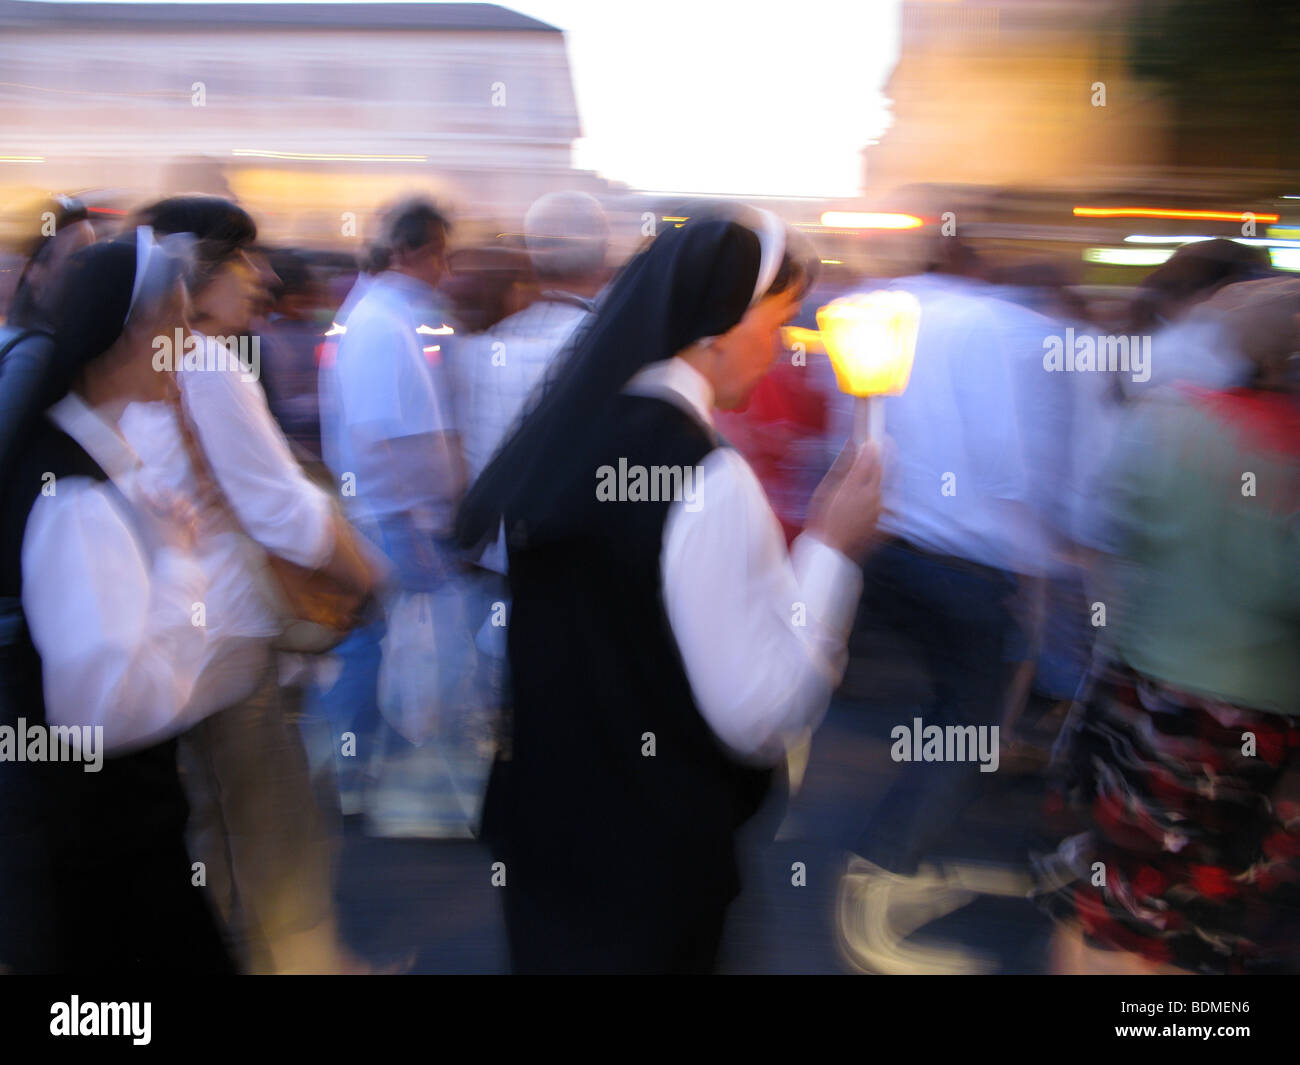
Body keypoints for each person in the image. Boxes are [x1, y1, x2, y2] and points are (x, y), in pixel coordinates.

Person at [456, 209, 883, 973]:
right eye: (780, 319)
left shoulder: (573, 436)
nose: (786, 344)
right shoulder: (706, 476)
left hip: (546, 838)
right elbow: (759, 711)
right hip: (650, 865)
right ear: (719, 322)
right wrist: (833, 550)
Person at [120, 195, 377, 973]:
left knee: (209, 823)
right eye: (244, 259)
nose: (261, 276)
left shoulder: (127, 352)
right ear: (200, 270)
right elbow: (283, 516)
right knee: (274, 828)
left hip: (158, 631)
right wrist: (363, 568)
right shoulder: (204, 363)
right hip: (229, 632)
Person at [1041, 277, 1300, 974]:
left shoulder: (1166, 419)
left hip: (1143, 695)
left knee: (1122, 888)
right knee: (1216, 906)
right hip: (1258, 729)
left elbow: (1108, 531)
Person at [0, 233, 233, 972]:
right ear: (137, 332)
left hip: (111, 845)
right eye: (181, 322)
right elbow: (99, 711)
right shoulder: (74, 496)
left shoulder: (90, 458)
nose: (191, 343)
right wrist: (179, 567)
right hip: (103, 852)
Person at [315, 198, 473, 836]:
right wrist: (421, 520)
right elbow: (384, 437)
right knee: (391, 645)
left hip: (388, 510)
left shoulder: (386, 315)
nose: (446, 267)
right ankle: (378, 771)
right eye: (438, 252)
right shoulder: (383, 322)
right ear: (410, 252)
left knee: (370, 645)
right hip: (393, 514)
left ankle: (357, 770)